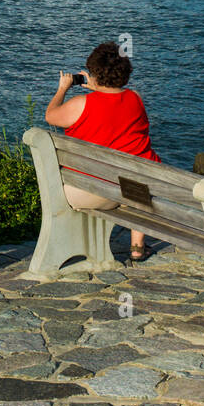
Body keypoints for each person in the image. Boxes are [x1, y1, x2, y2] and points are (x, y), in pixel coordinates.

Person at [45, 41, 161, 262]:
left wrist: (63, 88)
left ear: (93, 73)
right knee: (139, 179)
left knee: (125, 179)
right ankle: (137, 246)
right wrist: (98, 88)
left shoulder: (81, 104)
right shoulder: (135, 99)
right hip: (127, 192)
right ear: (125, 73)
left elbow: (50, 115)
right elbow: (113, 103)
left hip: (85, 193)